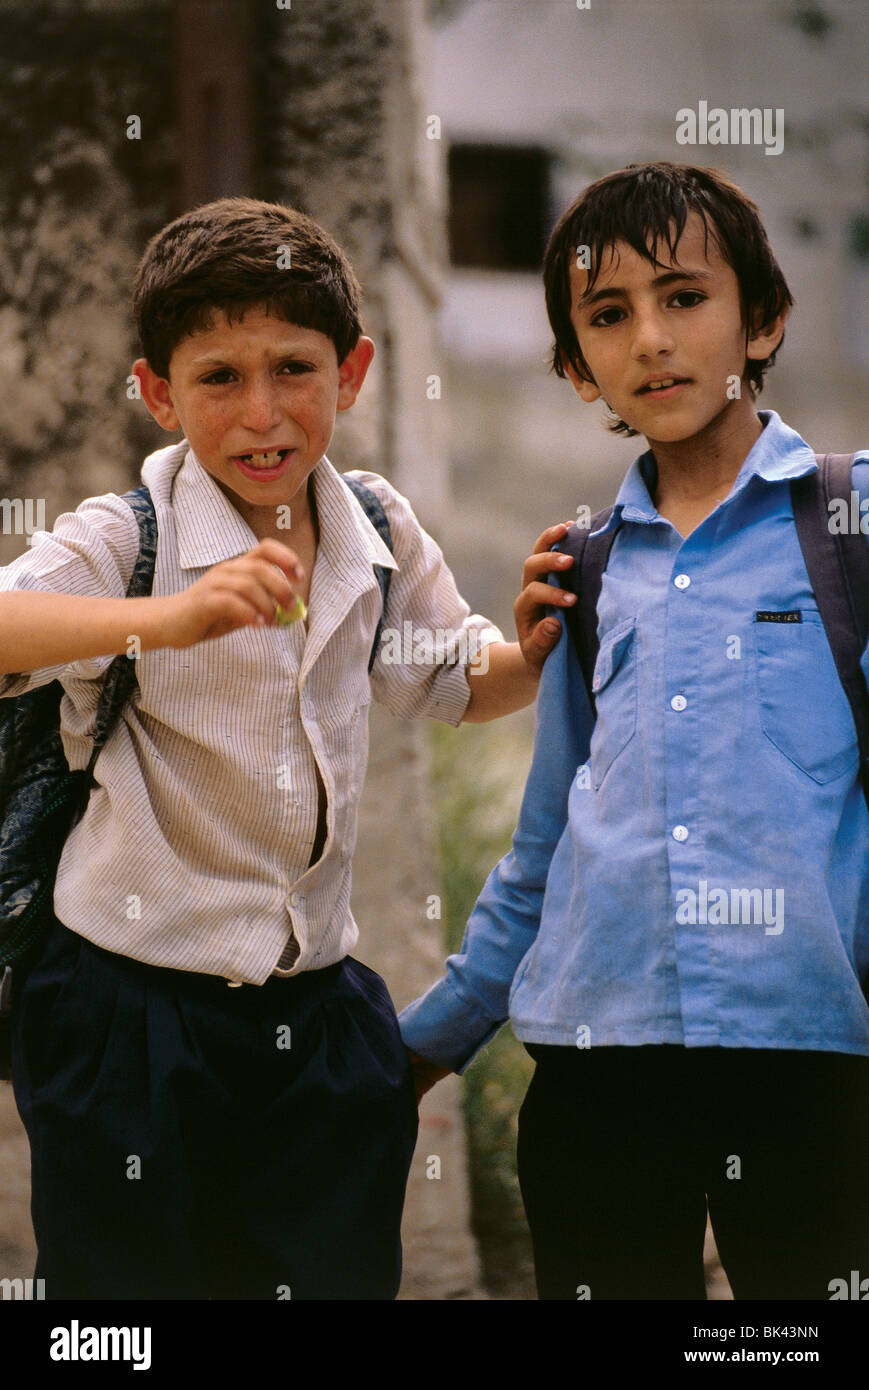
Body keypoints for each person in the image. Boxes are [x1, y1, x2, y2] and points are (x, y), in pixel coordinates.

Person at [0, 196, 569, 1300]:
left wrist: (536, 646)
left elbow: (450, 677)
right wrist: (167, 618)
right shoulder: (133, 536)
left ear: (350, 373)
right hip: (128, 1017)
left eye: (293, 368)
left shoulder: (376, 528)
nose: (262, 412)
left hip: (311, 1020)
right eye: (218, 377)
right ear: (158, 393)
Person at [400, 162, 869, 1301]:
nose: (649, 338)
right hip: (596, 1068)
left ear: (759, 319)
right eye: (607, 315)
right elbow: (549, 833)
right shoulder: (583, 561)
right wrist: (415, 1047)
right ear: (574, 365)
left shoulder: (848, 523)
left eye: (683, 297)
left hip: (808, 1067)